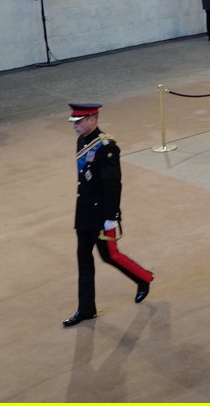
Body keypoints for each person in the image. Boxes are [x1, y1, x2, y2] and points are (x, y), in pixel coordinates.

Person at [62, 103, 154, 328]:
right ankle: (86, 308)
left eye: (79, 121)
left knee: (110, 256)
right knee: (84, 260)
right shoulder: (81, 141)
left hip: (102, 214)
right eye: (74, 122)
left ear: (92, 119)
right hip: (83, 212)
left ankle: (144, 278)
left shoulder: (107, 147)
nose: (75, 126)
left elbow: (113, 185)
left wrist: (111, 216)